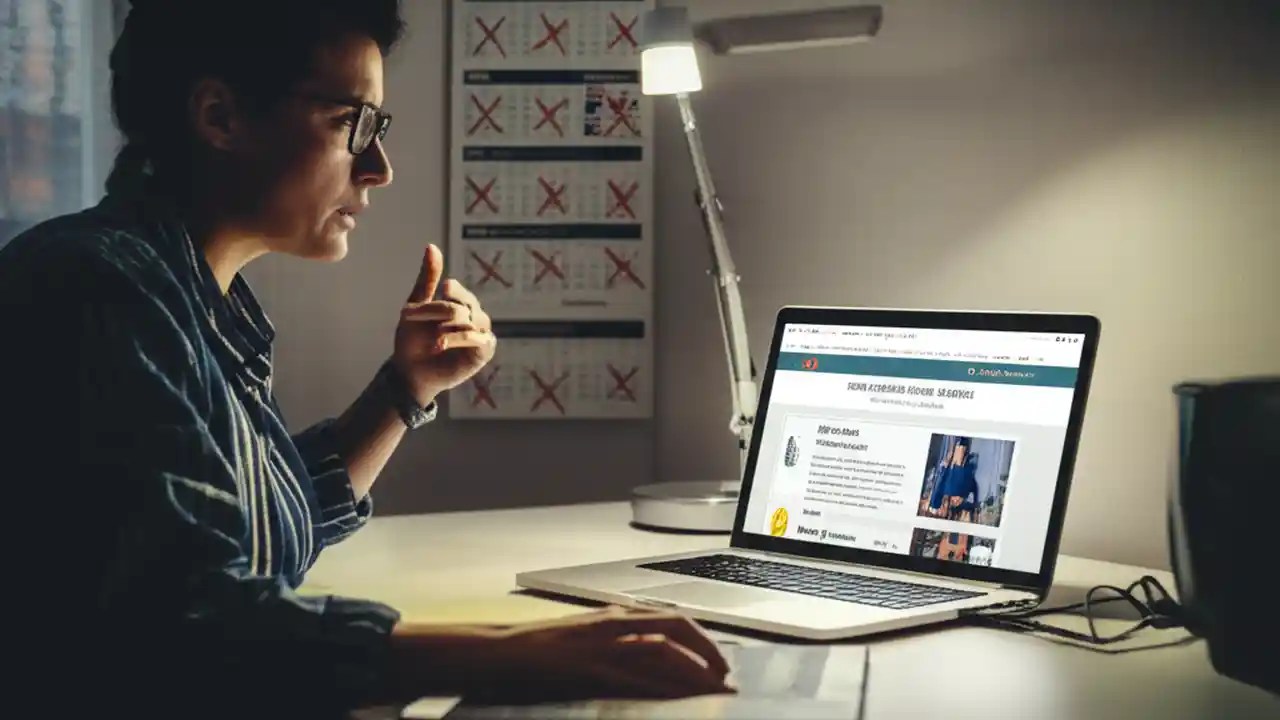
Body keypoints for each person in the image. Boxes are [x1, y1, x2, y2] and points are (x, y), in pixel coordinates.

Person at [0, 0, 731, 715]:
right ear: (220, 116)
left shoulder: (192, 303)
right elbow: (189, 627)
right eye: (352, 123)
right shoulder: (94, 290)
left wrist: (406, 389)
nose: (378, 166)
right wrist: (510, 653)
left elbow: (263, 535)